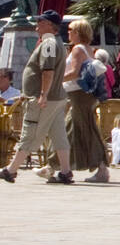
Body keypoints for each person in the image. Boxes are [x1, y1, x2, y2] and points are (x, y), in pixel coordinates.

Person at [0, 10, 73, 184]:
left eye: (41, 22)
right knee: (58, 135)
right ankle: (65, 171)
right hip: (57, 97)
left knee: (30, 132)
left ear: (49, 25)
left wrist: (42, 94)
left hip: (45, 98)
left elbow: (47, 71)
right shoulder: (57, 43)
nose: (36, 26)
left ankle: (11, 170)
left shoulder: (48, 43)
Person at [62, 18, 110, 183]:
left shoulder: (77, 50)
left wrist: (56, 79)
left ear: (77, 32)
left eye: (70, 30)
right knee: (68, 129)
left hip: (79, 94)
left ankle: (101, 167)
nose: (68, 32)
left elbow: (74, 72)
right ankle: (54, 164)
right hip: (83, 95)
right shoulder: (89, 49)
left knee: (86, 129)